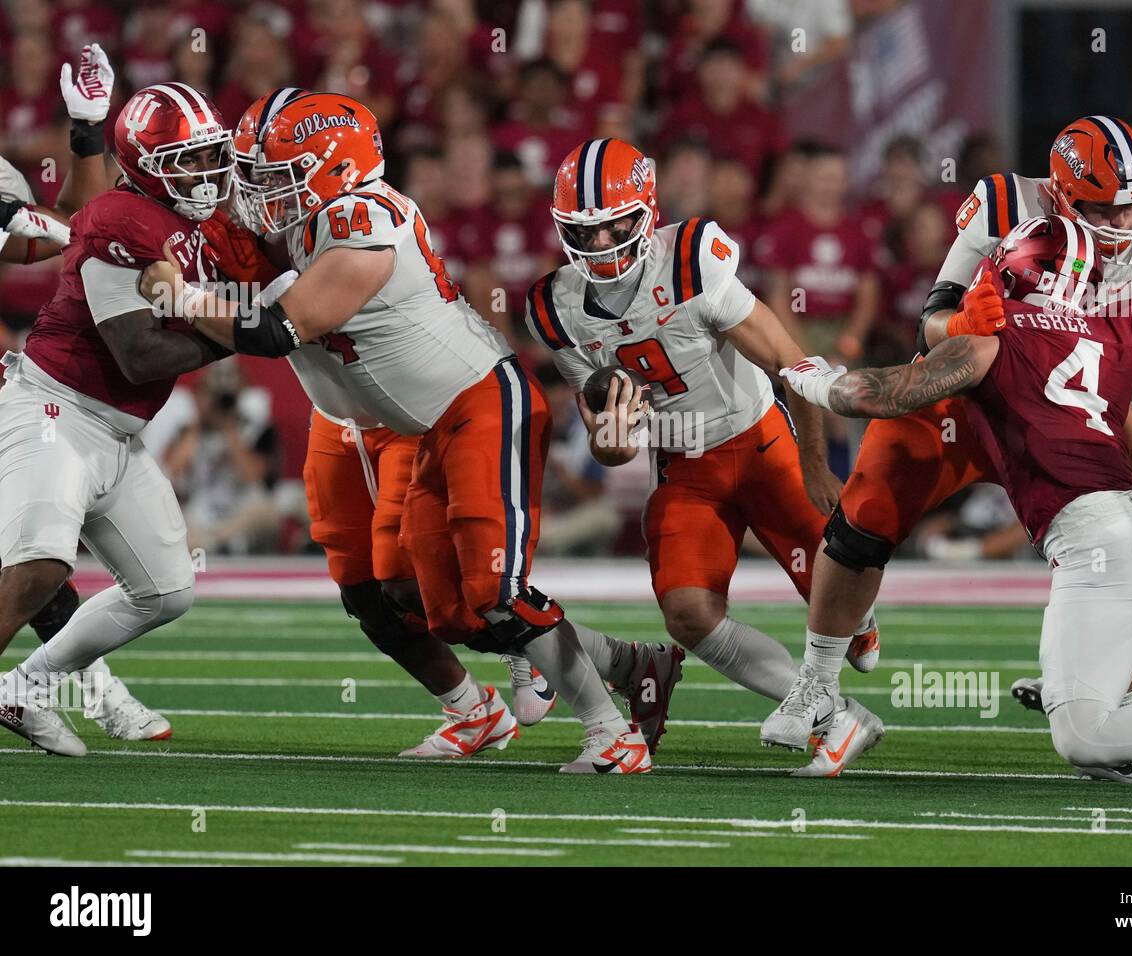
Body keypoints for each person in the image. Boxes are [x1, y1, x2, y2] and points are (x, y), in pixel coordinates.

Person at [144, 93, 676, 774]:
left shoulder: (366, 217)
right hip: (421, 422)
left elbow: (274, 329)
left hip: (481, 402)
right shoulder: (307, 223)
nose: (260, 192)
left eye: (278, 175)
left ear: (335, 167)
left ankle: (610, 732)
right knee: (437, 606)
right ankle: (631, 666)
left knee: (497, 595)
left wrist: (180, 297)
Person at [762, 116, 1132, 781]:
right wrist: (957, 323)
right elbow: (935, 317)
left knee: (1125, 533)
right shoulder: (1004, 205)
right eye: (1103, 206)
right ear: (1057, 193)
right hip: (967, 389)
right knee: (864, 513)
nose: (1123, 220)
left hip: (1071, 401)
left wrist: (1122, 345)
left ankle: (1120, 710)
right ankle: (818, 682)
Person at [526, 137, 883, 776]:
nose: (602, 244)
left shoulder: (690, 259)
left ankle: (855, 627)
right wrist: (611, 446)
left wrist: (813, 462)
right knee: (688, 613)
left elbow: (789, 361)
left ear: (647, 212)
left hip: (763, 444)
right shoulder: (554, 309)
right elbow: (610, 436)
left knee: (849, 623)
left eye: (616, 225)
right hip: (685, 466)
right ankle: (836, 716)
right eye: (586, 230)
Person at [0, 81, 236, 756]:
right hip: (54, 407)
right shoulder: (123, 223)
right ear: (150, 163)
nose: (205, 174)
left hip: (117, 429)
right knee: (40, 566)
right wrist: (245, 328)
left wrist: (84, 130)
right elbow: (138, 353)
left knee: (166, 592)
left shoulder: (186, 220)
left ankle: (28, 687)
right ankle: (100, 696)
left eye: (208, 156)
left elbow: (64, 222)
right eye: (186, 160)